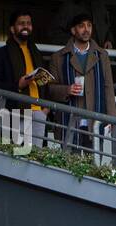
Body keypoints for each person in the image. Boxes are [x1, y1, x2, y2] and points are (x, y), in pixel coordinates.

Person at [47, 11, 116, 154]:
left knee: (94, 166)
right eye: (81, 26)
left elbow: (108, 89)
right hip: (69, 122)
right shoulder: (58, 57)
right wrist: (67, 90)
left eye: (89, 25)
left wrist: (111, 118)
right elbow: (50, 89)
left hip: (95, 121)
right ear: (73, 30)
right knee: (68, 166)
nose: (86, 29)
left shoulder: (102, 55)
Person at [0, 11, 53, 148]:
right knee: (16, 154)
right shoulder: (2, 53)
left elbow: (44, 82)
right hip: (16, 111)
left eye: (28, 23)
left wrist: (46, 107)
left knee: (37, 156)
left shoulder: (36, 52)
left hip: (39, 112)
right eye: (21, 23)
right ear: (12, 29)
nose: (26, 27)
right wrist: (17, 85)